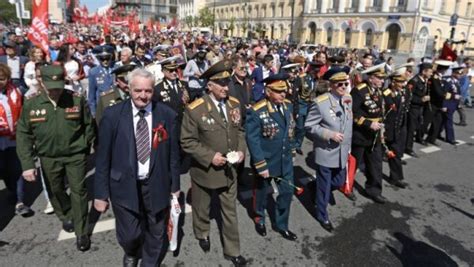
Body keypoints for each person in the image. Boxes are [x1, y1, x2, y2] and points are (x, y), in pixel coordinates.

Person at [94, 68, 180, 267]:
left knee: (156, 230)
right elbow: (103, 157)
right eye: (138, 90)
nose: (143, 96)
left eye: (148, 91)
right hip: (123, 185)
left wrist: (175, 185)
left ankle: (149, 262)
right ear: (129, 89)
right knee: (130, 234)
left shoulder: (167, 114)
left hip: (156, 183)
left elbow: (173, 155)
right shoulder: (113, 115)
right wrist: (100, 194)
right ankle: (131, 251)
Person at [16, 65, 95, 251]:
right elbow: (23, 134)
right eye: (51, 86)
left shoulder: (76, 99)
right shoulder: (31, 104)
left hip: (75, 155)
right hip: (48, 156)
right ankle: (67, 215)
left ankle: (81, 232)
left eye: (58, 85)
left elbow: (88, 125)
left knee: (79, 191)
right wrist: (28, 164)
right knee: (55, 190)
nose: (55, 90)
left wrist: (87, 147)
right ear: (41, 82)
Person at [180, 60, 248, 266]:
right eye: (221, 83)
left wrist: (241, 151)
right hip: (205, 171)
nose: (226, 87)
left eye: (227, 82)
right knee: (202, 207)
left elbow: (240, 131)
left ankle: (233, 250)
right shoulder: (195, 109)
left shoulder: (234, 104)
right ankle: (202, 233)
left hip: (230, 171)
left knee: (230, 211)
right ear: (209, 85)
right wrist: (210, 157)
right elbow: (187, 141)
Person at [245, 73, 298, 241]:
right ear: (268, 92)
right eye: (278, 91)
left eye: (284, 91)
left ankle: (282, 225)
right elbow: (252, 139)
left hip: (285, 159)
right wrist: (260, 164)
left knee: (287, 192)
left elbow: (291, 130)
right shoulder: (256, 111)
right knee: (261, 193)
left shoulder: (288, 105)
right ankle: (259, 218)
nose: (283, 94)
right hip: (266, 161)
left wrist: (293, 150)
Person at [304, 66, 353, 232]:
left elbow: (347, 124)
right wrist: (328, 134)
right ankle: (322, 215)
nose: (344, 87)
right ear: (331, 85)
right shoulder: (320, 103)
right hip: (326, 151)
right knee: (325, 188)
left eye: (345, 83)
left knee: (339, 181)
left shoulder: (348, 99)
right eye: (340, 84)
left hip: (342, 150)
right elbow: (309, 126)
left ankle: (314, 187)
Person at [351, 63, 387, 204]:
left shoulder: (378, 91)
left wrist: (381, 126)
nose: (382, 81)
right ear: (371, 78)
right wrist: (368, 123)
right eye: (379, 78)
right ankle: (347, 186)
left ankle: (374, 190)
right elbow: (351, 113)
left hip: (375, 135)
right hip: (360, 134)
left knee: (376, 164)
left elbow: (380, 111)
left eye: (382, 78)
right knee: (353, 164)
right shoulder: (359, 91)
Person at [0, 63, 34, 217]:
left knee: (17, 169)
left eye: (2, 78)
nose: (0, 81)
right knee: (4, 170)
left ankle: (20, 202)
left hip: (16, 137)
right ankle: (12, 191)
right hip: (0, 139)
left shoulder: (16, 91)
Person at [382, 69, 409, 188]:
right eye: (400, 82)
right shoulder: (386, 94)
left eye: (403, 82)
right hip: (387, 129)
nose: (403, 85)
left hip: (397, 129)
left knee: (396, 154)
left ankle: (395, 178)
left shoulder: (401, 92)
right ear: (393, 82)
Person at [405, 63, 433, 157]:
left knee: (417, 127)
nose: (431, 74)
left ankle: (413, 142)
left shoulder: (425, 80)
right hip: (413, 109)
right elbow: (408, 96)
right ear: (424, 71)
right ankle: (408, 148)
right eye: (430, 72)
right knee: (411, 129)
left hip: (420, 108)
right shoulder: (414, 81)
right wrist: (421, 99)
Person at [425, 60, 454, 146]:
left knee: (437, 122)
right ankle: (419, 137)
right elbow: (438, 91)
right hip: (433, 103)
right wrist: (447, 96)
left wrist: (448, 95)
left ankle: (431, 139)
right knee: (426, 122)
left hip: (439, 104)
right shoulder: (435, 77)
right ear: (443, 69)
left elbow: (445, 90)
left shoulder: (440, 77)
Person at [153, 59, 190, 123]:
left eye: (176, 70)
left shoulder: (184, 84)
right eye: (171, 70)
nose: (174, 73)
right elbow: (156, 109)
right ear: (163, 71)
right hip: (168, 123)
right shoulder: (158, 88)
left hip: (184, 121)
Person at [88, 46, 115, 117]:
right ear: (98, 59)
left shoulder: (116, 68)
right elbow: (91, 94)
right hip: (102, 105)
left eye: (107, 58)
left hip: (116, 104)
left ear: (111, 57)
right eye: (102, 59)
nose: (105, 61)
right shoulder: (93, 72)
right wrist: (93, 112)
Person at [441, 64, 463, 145]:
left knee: (443, 121)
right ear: (453, 73)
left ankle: (436, 133)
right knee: (449, 121)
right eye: (458, 73)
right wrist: (444, 105)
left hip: (454, 104)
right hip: (448, 104)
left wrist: (458, 103)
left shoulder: (457, 82)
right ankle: (450, 138)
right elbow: (445, 94)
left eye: (460, 74)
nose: (460, 75)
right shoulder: (448, 81)